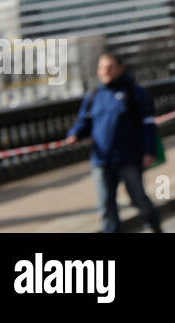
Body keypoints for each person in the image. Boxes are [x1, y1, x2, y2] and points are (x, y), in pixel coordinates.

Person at [66, 53, 163, 233]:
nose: (105, 72)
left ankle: (153, 225)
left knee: (137, 197)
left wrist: (149, 151)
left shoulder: (134, 92)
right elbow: (84, 121)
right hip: (102, 159)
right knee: (106, 203)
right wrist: (75, 134)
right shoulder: (94, 94)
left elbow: (148, 124)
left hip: (129, 157)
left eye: (110, 67)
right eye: (102, 68)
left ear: (120, 68)